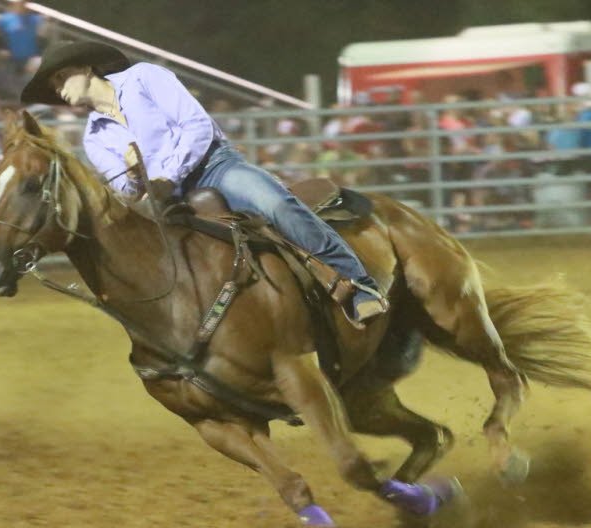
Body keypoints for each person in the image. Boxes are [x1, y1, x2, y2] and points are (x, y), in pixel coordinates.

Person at [20, 41, 387, 324]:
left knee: (275, 205)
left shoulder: (145, 78)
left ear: (86, 69)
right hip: (166, 200)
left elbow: (196, 126)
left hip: (215, 166)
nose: (58, 89)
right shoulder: (94, 138)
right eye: (53, 85)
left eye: (60, 78)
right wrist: (135, 176)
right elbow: (127, 191)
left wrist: (164, 175)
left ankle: (358, 285)